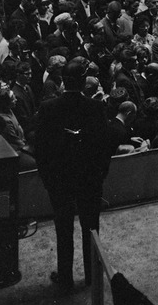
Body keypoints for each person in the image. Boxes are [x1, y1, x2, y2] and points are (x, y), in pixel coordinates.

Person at [32, 57, 114, 291]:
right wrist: (100, 175)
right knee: (91, 228)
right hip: (89, 179)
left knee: (63, 229)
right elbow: (104, 145)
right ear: (83, 81)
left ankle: (65, 277)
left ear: (63, 81)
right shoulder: (95, 107)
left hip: (60, 180)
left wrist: (48, 179)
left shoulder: (48, 108)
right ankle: (92, 276)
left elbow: (41, 148)